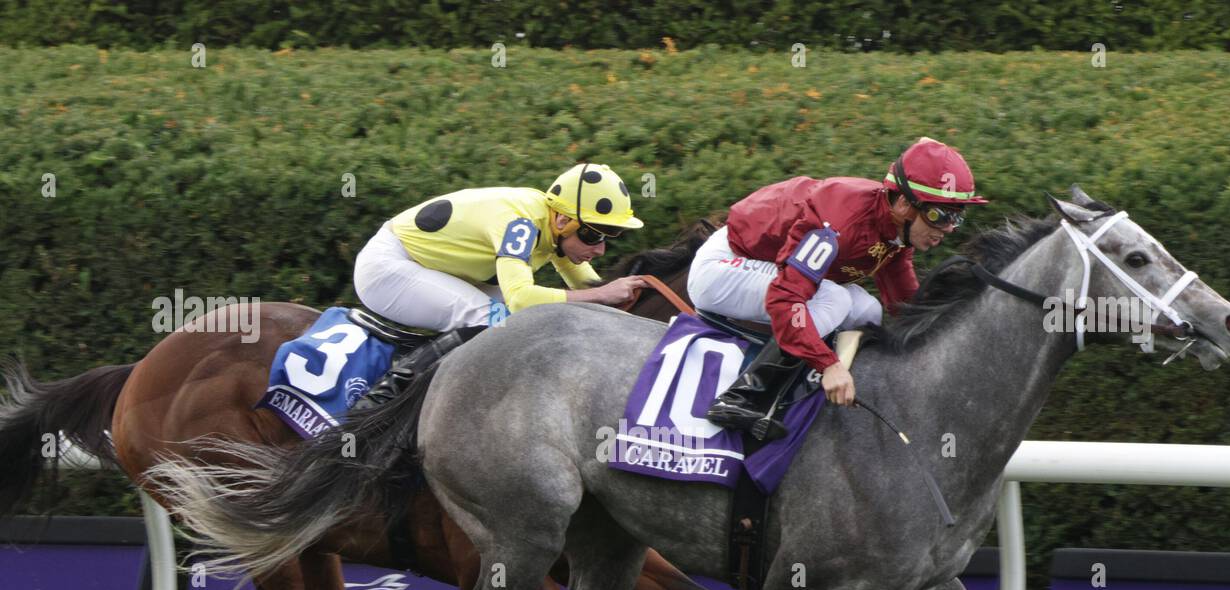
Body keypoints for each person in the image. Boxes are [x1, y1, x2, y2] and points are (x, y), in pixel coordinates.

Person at [686, 137, 987, 439]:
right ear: (904, 204)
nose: (947, 229)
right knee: (836, 298)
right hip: (723, 268)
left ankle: (812, 392)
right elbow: (785, 297)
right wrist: (827, 363)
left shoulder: (897, 234)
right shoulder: (839, 222)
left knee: (868, 310)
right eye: (939, 215)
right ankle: (741, 396)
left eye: (956, 216)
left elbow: (905, 306)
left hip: (766, 272)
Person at [351, 163, 647, 406]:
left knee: (522, 321)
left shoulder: (554, 228)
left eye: (609, 236)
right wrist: (602, 293)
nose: (600, 250)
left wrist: (623, 297)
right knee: (495, 319)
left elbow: (589, 288)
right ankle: (381, 401)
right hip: (388, 268)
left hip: (432, 268)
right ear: (561, 221)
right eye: (593, 236)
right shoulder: (521, 223)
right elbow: (520, 298)